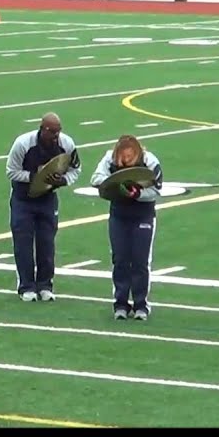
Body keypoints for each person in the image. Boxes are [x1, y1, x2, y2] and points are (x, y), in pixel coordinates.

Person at [5, 113, 81, 302]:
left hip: (48, 198)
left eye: (58, 132)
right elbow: (11, 171)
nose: (55, 137)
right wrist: (34, 177)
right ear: (42, 128)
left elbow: (76, 169)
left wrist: (63, 180)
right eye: (52, 132)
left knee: (47, 242)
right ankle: (26, 286)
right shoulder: (23, 144)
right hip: (23, 199)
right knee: (23, 243)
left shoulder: (67, 144)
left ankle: (45, 285)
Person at [89, 135, 163, 320]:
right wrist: (114, 185)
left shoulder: (150, 161)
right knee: (120, 259)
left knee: (140, 260)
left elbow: (157, 189)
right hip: (119, 215)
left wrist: (137, 193)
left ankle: (141, 304)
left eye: (130, 156)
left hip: (143, 215)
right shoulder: (109, 159)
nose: (126, 160)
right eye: (123, 156)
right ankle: (120, 303)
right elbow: (96, 178)